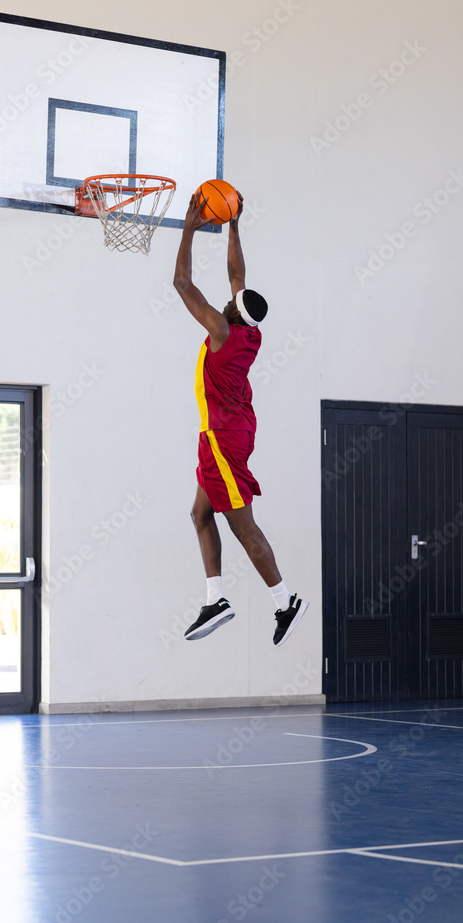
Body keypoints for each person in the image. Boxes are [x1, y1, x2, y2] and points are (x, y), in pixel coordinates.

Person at [173, 190, 308, 645]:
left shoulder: (222, 331)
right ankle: (214, 599)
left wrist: (190, 228)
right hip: (234, 430)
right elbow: (237, 274)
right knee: (199, 512)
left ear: (232, 312)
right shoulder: (250, 332)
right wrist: (232, 223)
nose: (230, 296)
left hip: (223, 438)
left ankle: (285, 600)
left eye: (231, 300)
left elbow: (182, 285)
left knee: (242, 524)